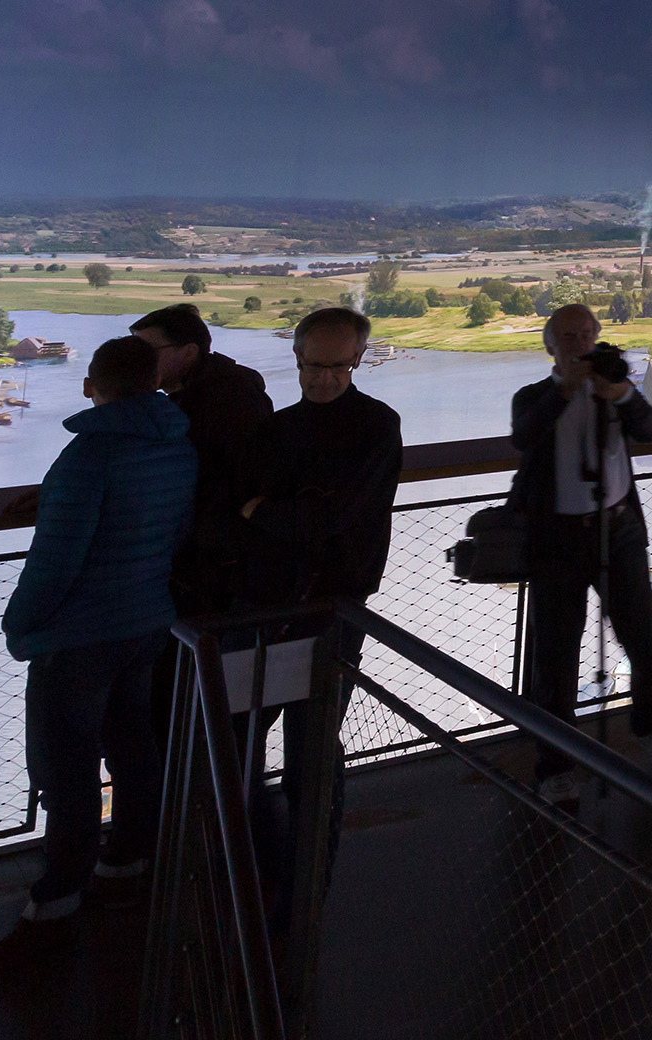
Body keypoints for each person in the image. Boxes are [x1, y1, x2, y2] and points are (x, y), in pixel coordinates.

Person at [0, 334, 197, 986]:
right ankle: (126, 870)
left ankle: (53, 911)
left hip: (80, 639)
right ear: (152, 381)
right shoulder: (177, 445)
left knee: (68, 776)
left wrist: (19, 625)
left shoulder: (88, 458)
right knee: (133, 746)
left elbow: (55, 564)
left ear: (94, 384)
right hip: (146, 621)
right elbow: (168, 531)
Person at [236, 306, 403, 916]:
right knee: (247, 751)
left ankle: (306, 890)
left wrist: (265, 514)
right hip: (277, 609)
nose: (327, 376)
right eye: (316, 364)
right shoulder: (280, 429)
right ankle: (275, 876)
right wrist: (288, 519)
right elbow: (316, 518)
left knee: (312, 755)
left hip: (331, 611)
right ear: (298, 357)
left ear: (357, 360)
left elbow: (327, 520)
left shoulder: (378, 425)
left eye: (339, 365)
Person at [511, 305, 652, 800]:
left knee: (644, 635)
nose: (580, 344)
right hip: (556, 539)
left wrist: (622, 393)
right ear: (551, 346)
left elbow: (651, 430)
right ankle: (557, 764)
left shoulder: (614, 391)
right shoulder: (533, 396)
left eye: (587, 334)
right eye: (569, 336)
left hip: (620, 531)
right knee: (556, 654)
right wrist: (565, 392)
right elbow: (523, 437)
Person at [132, 303, 275, 624]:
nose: (137, 362)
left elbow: (226, 482)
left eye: (148, 351)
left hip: (213, 566)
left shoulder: (227, 402)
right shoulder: (200, 395)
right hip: (203, 559)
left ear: (189, 351)